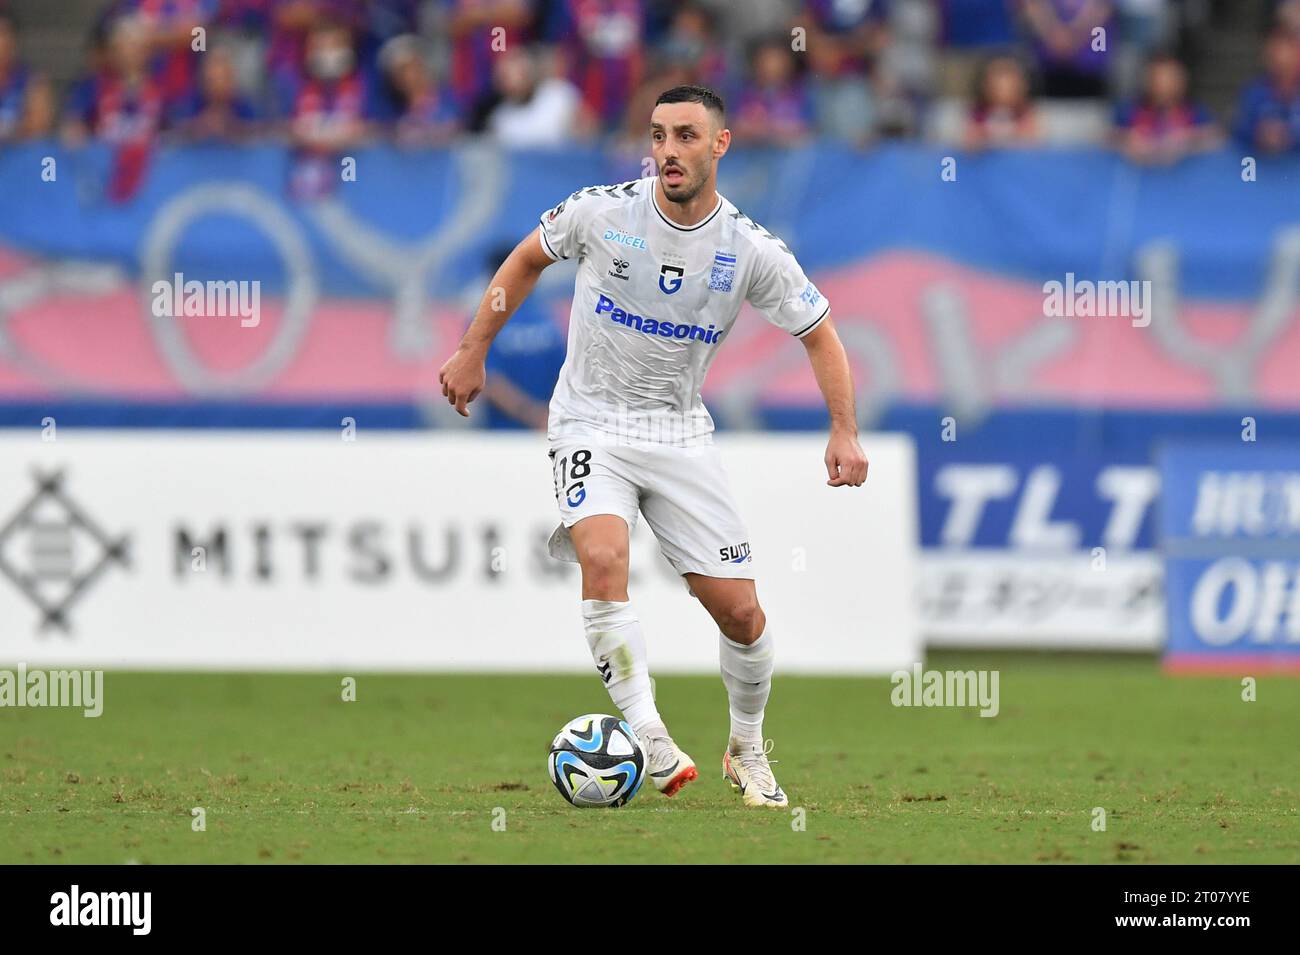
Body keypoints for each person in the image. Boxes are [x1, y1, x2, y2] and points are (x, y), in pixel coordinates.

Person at [438, 85, 868, 808]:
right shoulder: (602, 212)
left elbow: (818, 332)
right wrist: (473, 348)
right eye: (660, 135)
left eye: (687, 136)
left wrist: (843, 428)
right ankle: (649, 733)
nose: (669, 150)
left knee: (740, 614)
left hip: (678, 431)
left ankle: (748, 749)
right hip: (589, 420)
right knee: (603, 557)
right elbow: (522, 261)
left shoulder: (749, 249)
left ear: (719, 145)